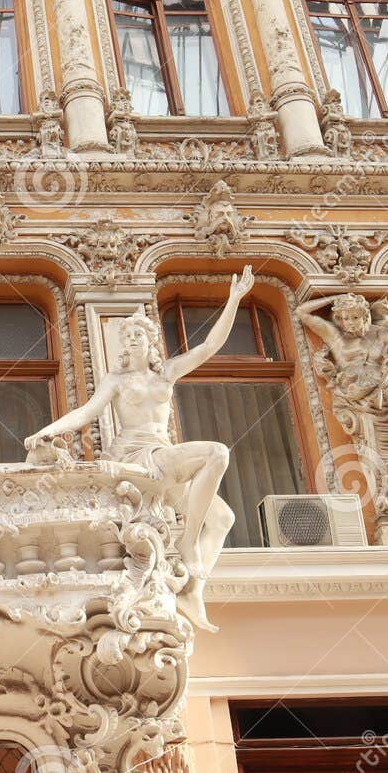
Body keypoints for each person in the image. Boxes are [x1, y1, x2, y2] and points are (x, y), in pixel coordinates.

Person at [24, 267, 254, 630]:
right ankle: (189, 543)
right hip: (137, 455)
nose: (129, 339)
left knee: (224, 518)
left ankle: (193, 591)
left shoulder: (167, 373)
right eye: (125, 335)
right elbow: (86, 412)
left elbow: (210, 347)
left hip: (164, 455)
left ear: (150, 343)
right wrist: (46, 430)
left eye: (136, 334)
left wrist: (234, 299)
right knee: (217, 453)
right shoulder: (117, 380)